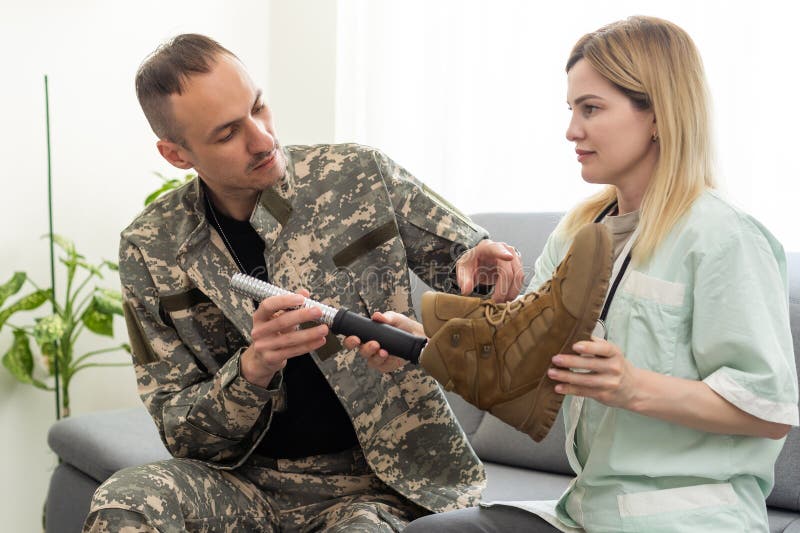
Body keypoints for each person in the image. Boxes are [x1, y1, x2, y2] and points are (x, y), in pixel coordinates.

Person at [84, 33, 528, 532]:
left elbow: (493, 309)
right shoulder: (151, 246)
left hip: (380, 485)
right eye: (228, 133)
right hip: (243, 484)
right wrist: (253, 367)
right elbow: (182, 433)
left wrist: (493, 271)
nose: (262, 139)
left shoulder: (360, 174)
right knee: (125, 504)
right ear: (176, 154)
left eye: (259, 107)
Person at [386, 15, 796, 532]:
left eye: (592, 109)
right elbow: (518, 357)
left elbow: (768, 410)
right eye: (572, 109)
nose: (571, 130)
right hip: (583, 513)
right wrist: (421, 344)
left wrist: (633, 386)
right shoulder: (581, 228)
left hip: (690, 518)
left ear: (658, 114)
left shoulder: (725, 236)